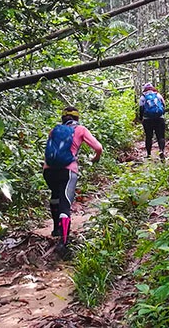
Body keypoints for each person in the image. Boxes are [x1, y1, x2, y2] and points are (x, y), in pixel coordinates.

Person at [43, 106, 102, 251]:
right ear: (77, 118)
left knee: (55, 196)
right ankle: (63, 243)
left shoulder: (54, 130)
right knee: (65, 203)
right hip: (68, 171)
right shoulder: (80, 129)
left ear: (63, 118)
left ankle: (56, 229)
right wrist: (95, 158)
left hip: (48, 170)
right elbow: (98, 147)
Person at [136, 82, 167, 161]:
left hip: (147, 120)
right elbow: (163, 105)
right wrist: (162, 115)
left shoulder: (143, 97)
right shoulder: (158, 95)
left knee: (149, 137)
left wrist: (141, 118)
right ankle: (161, 151)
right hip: (159, 119)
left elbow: (141, 109)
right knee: (161, 136)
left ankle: (149, 154)